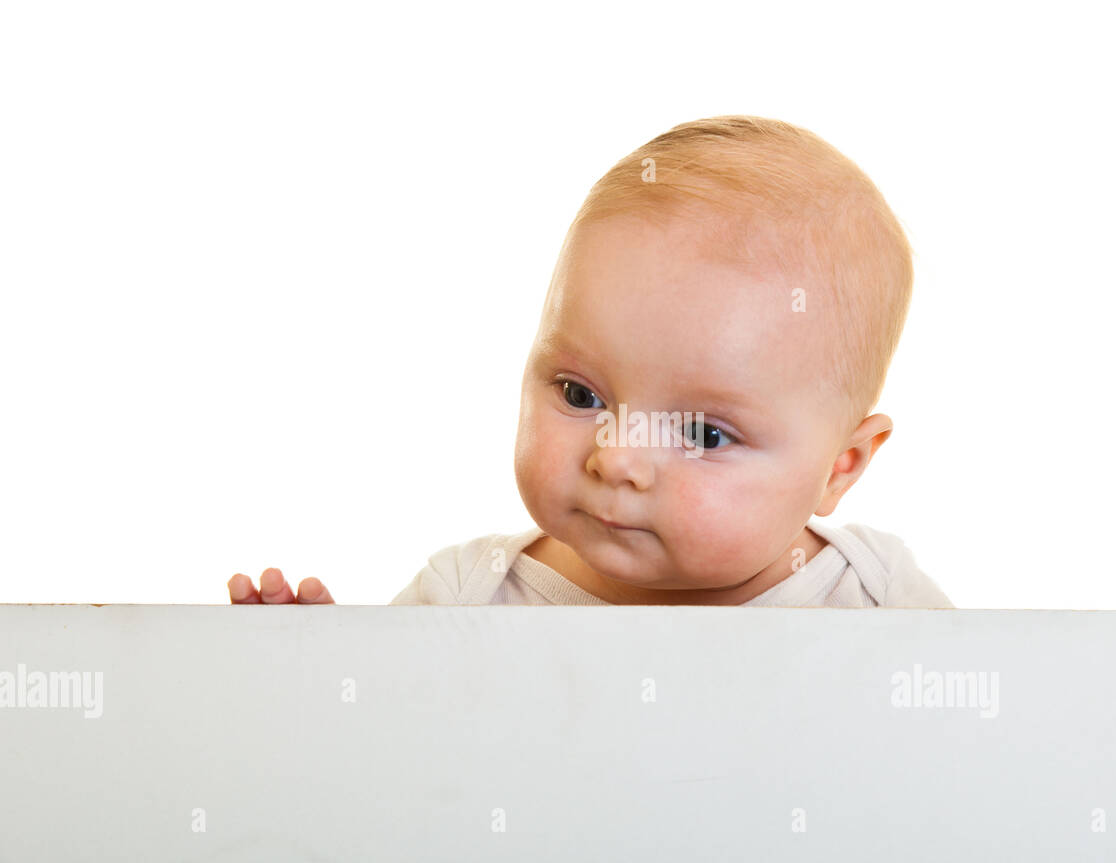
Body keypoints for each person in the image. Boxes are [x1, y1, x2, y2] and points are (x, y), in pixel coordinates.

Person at [229, 115, 952, 609]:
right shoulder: (471, 598)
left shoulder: (875, 602)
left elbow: (982, 779)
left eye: (702, 434)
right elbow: (367, 778)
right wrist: (304, 673)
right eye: (580, 393)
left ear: (841, 466)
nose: (616, 459)